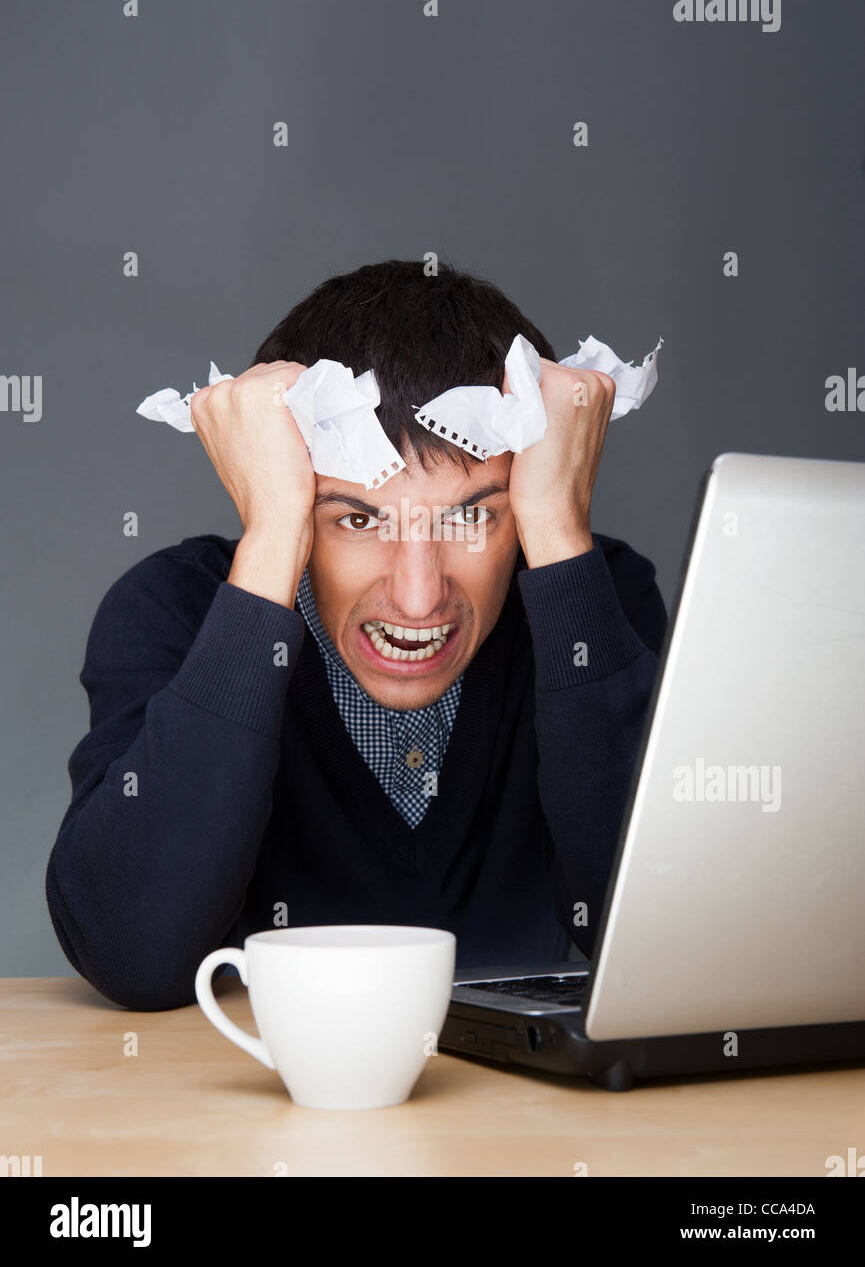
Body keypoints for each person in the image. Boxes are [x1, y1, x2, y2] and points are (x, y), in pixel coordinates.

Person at [46, 259, 667, 1010]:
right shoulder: (175, 610)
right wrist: (272, 538)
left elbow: (659, 950)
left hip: (527, 1120)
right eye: (357, 518)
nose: (418, 596)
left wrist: (563, 540)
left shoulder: (596, 605)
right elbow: (134, 954)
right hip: (244, 1113)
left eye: (471, 514)